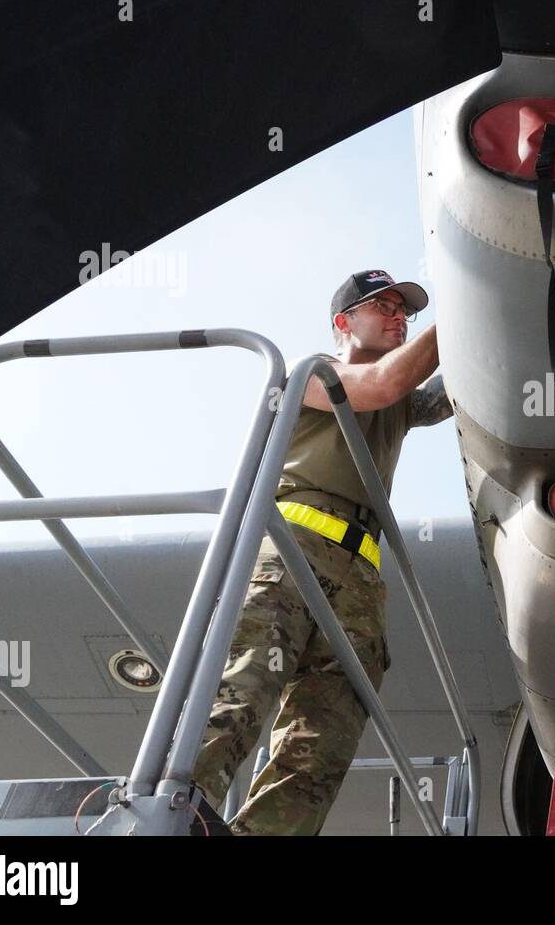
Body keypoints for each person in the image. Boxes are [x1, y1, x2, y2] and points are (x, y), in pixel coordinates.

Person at [191, 269, 453, 835]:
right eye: (382, 306)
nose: (398, 317)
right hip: (295, 549)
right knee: (245, 685)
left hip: (360, 576)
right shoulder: (311, 374)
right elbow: (382, 384)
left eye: (404, 310)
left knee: (321, 741)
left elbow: (461, 384)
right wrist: (460, 303)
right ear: (343, 322)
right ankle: (176, 810)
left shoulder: (401, 400)